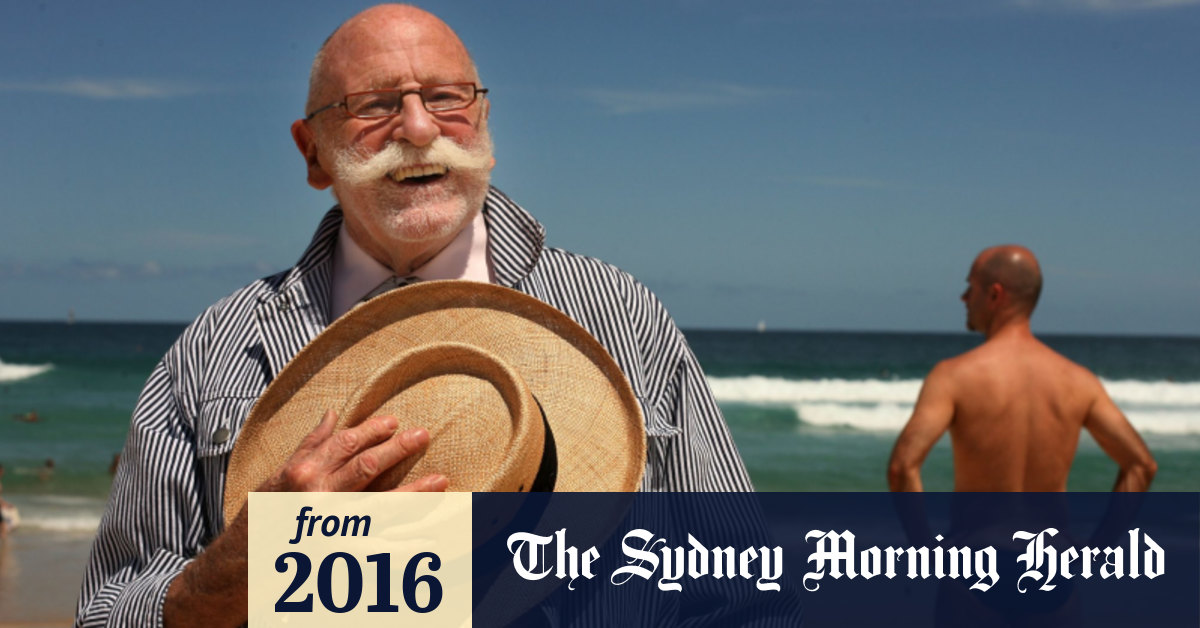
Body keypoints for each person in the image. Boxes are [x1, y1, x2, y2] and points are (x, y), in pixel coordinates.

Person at [77, 5, 752, 625]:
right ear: (311, 152)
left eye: (445, 98)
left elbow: (740, 590)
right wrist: (236, 573)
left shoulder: (619, 316)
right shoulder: (214, 353)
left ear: (485, 126)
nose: (420, 129)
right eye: (373, 105)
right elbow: (104, 613)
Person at [888, 245, 1156, 492]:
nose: (964, 297)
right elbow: (1141, 466)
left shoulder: (954, 377)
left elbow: (902, 468)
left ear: (995, 294)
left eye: (971, 287)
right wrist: (1101, 544)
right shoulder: (1079, 382)